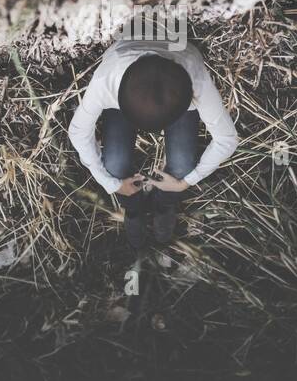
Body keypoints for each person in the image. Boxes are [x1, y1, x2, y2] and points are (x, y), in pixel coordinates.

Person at [68, 36, 238, 249]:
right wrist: (111, 184)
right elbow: (77, 132)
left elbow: (227, 139)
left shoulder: (194, 75)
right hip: (123, 92)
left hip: (177, 94)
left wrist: (185, 182)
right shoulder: (108, 77)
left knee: (183, 164)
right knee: (114, 164)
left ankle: (165, 204)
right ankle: (133, 207)